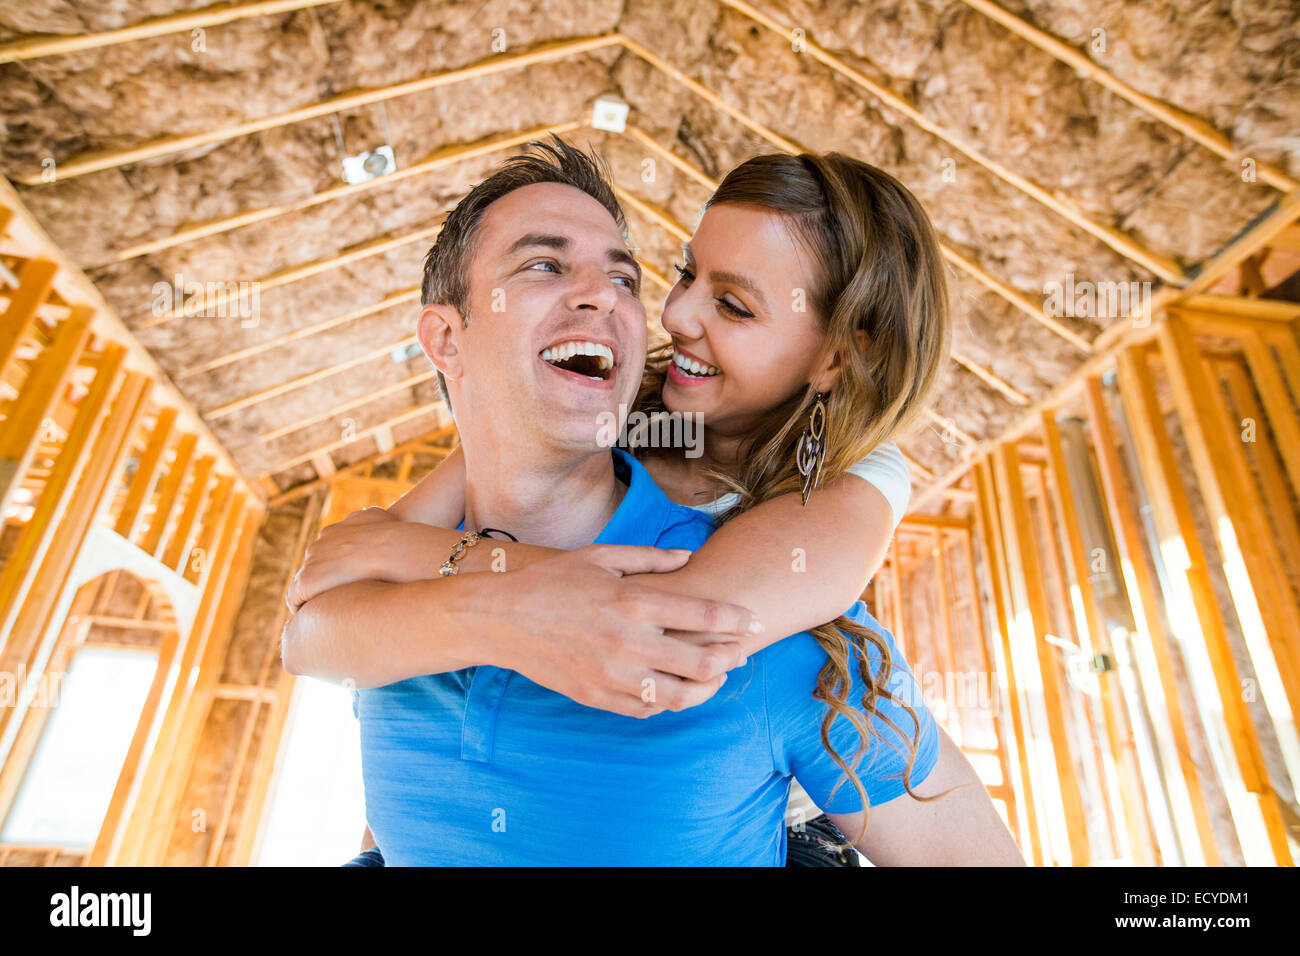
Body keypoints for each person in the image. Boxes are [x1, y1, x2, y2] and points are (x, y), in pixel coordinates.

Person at [282, 137, 1023, 866]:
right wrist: (434, 568)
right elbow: (311, 633)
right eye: (544, 265)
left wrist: (461, 578)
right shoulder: (636, 417)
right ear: (445, 341)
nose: (670, 313)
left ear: (836, 357)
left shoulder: (793, 582)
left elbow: (662, 628)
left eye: (625, 280)